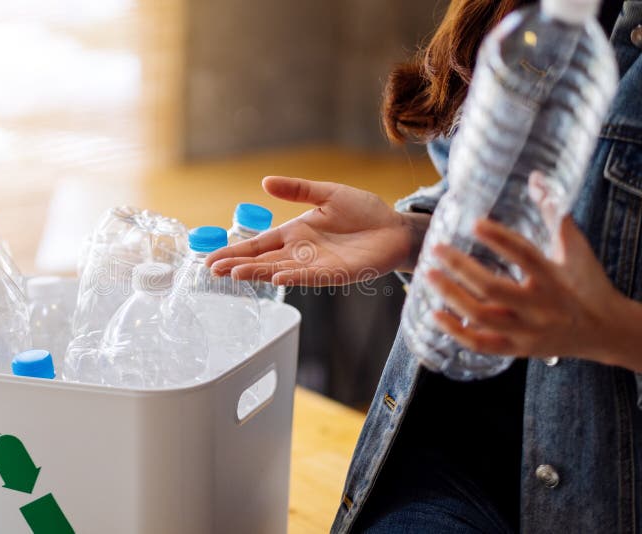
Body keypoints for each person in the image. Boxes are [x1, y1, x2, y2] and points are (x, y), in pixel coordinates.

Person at [207, 0, 642, 531]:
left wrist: (613, 332)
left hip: (608, 495)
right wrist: (412, 234)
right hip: (450, 458)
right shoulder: (524, 19)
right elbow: (488, 194)